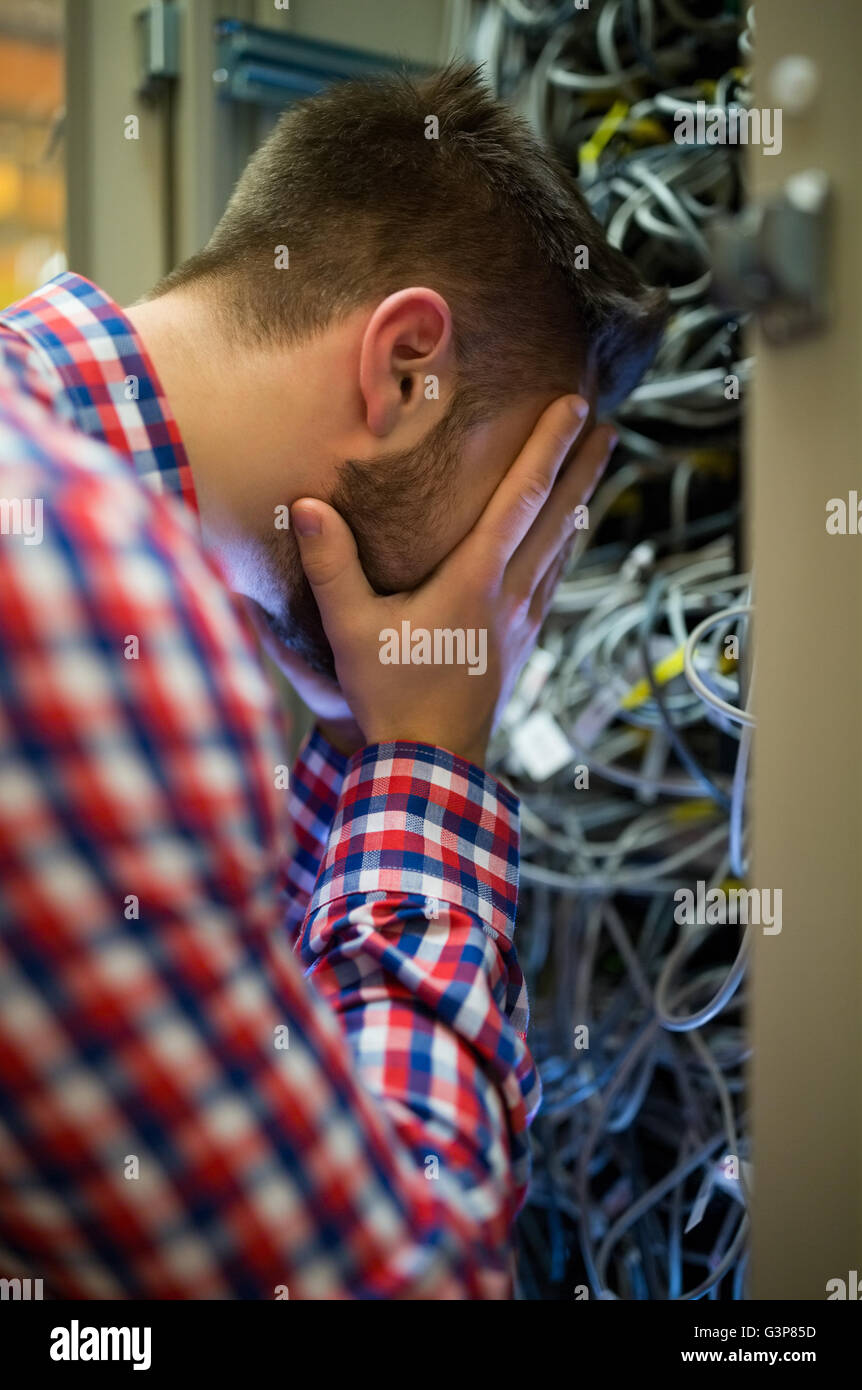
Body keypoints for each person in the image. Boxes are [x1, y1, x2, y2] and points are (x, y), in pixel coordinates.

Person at [0, 64, 665, 1298]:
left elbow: (247, 1093)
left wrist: (367, 739)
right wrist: (428, 767)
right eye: (528, 507)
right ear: (408, 372)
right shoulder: (84, 583)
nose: (513, 600)